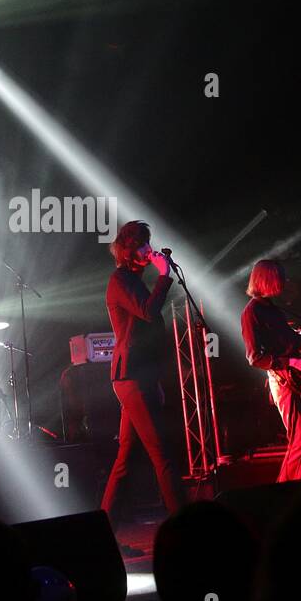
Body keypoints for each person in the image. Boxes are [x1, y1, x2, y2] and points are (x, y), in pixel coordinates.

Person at [100, 221, 184, 548]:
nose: (148, 251)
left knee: (125, 458)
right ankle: (186, 528)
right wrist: (164, 276)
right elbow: (150, 312)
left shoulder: (131, 280)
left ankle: (103, 531)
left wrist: (156, 380)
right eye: (142, 246)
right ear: (128, 250)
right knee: (161, 453)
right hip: (131, 378)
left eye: (148, 245)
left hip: (139, 376)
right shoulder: (119, 280)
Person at [240, 260, 301, 483]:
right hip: (283, 379)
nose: (284, 282)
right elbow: (255, 357)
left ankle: (285, 493)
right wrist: (293, 363)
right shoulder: (252, 312)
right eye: (279, 278)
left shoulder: (273, 309)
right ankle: (284, 494)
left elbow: (289, 340)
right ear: (267, 280)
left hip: (296, 377)